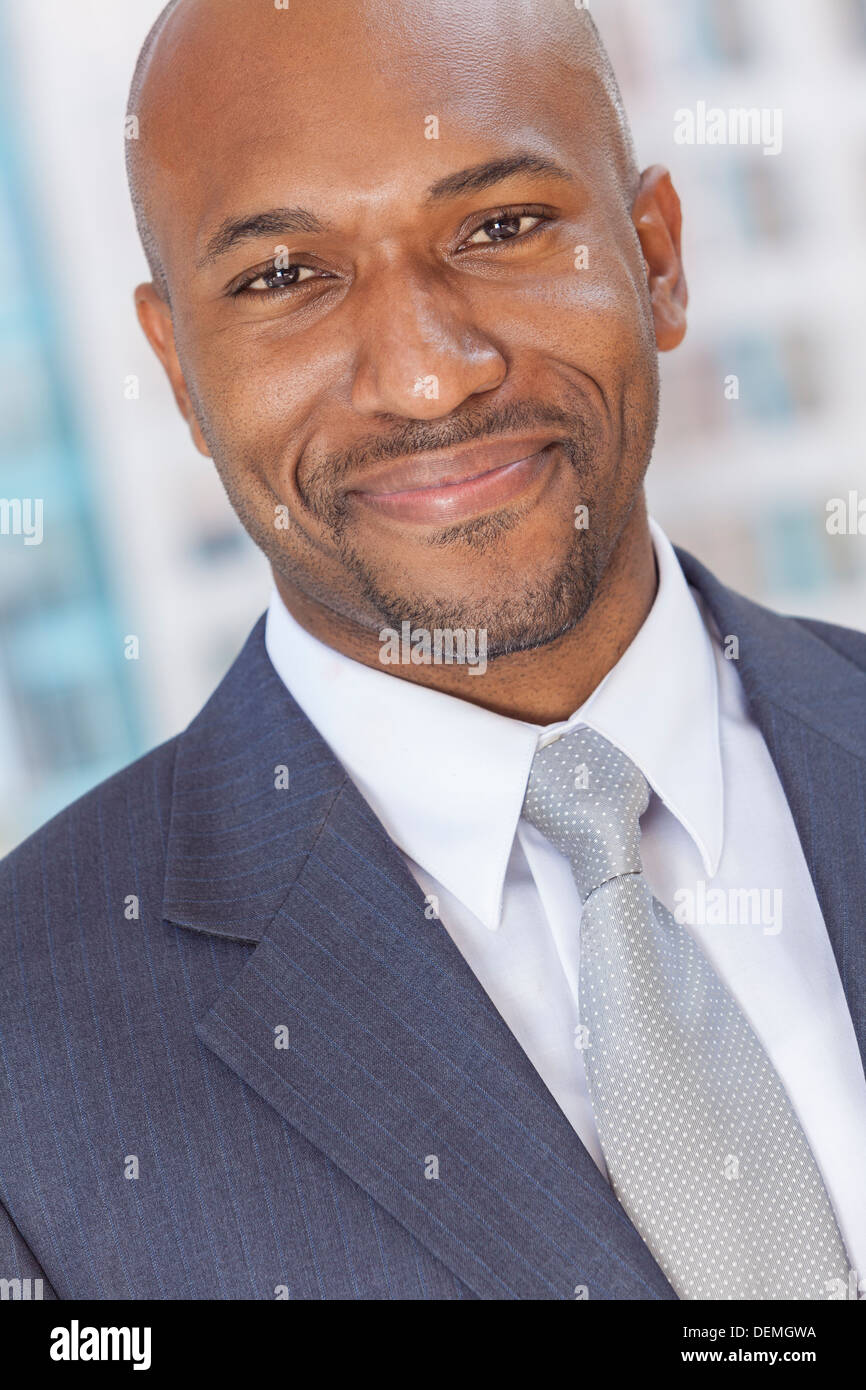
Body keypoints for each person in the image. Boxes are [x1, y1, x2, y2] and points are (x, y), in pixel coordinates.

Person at [0, 0, 864, 1301]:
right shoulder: (27, 1058)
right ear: (177, 368)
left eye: (500, 227)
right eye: (284, 276)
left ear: (657, 253)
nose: (427, 377)